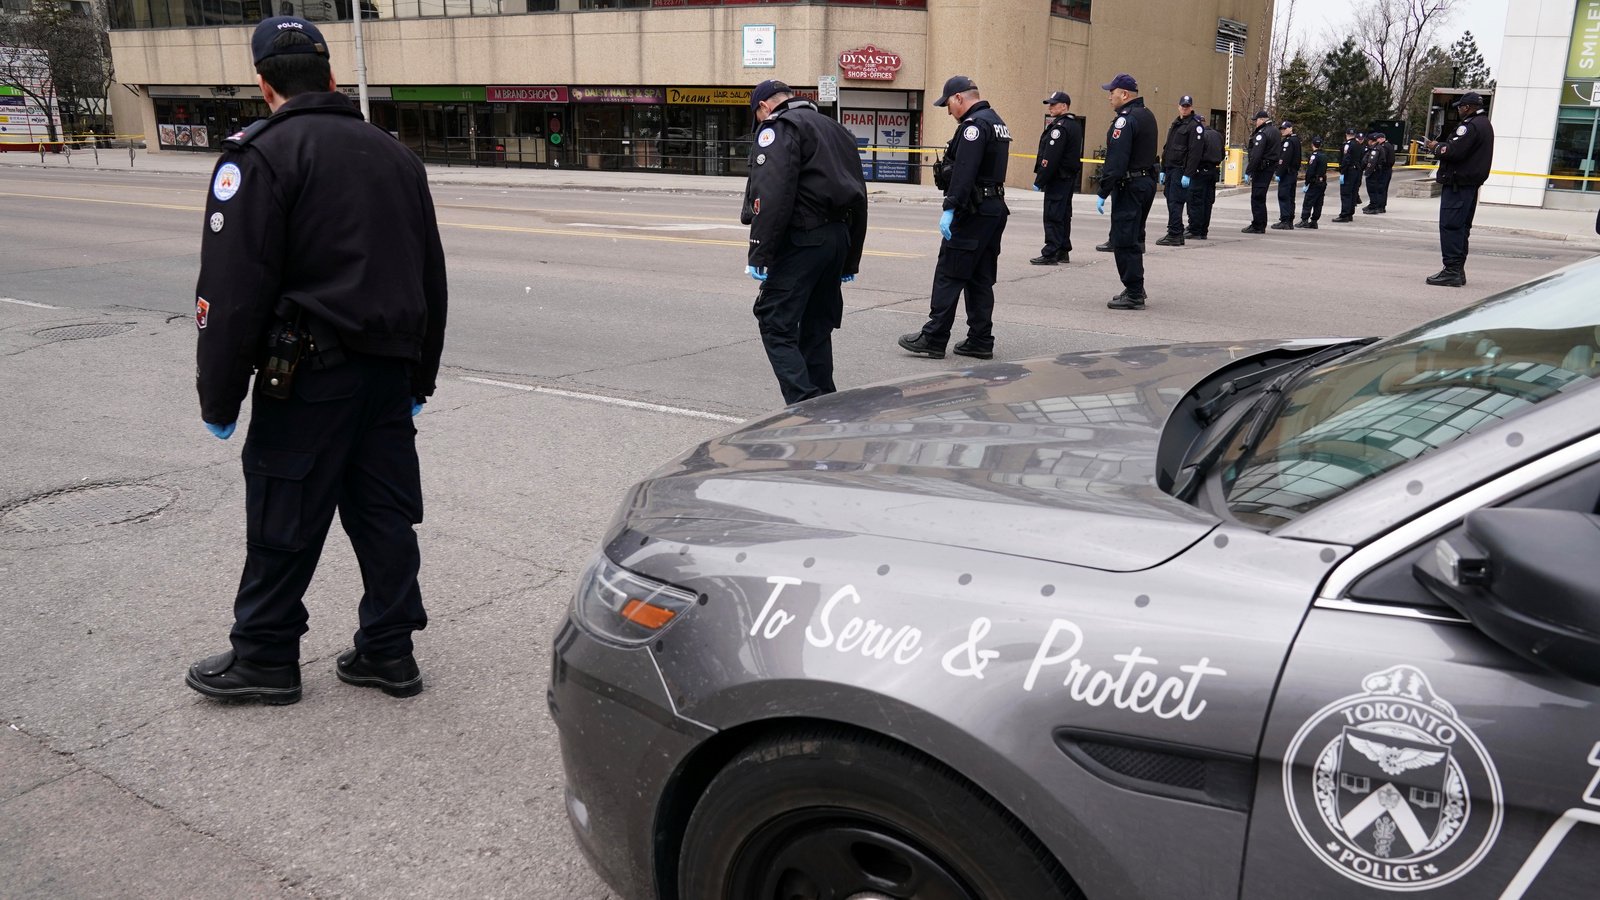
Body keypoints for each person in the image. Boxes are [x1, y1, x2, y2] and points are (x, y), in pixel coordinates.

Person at [186, 16, 448, 705]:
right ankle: (389, 652)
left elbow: (232, 288)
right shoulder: (395, 155)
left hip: (307, 376)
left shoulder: (261, 155)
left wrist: (219, 398)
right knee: (384, 514)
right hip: (388, 373)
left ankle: (266, 657)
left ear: (264, 84)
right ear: (333, 78)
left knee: (284, 512)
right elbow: (430, 279)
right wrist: (420, 376)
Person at [741, 80, 869, 401]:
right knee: (816, 326)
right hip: (837, 238)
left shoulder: (779, 128)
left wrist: (759, 252)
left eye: (758, 117)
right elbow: (860, 198)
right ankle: (825, 400)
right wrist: (850, 256)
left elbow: (772, 194)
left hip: (804, 238)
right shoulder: (836, 129)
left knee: (774, 321)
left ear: (764, 107)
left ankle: (803, 404)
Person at [899, 75, 1010, 359]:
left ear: (960, 97)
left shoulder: (974, 126)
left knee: (950, 272)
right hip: (993, 208)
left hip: (972, 210)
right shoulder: (996, 120)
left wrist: (950, 206)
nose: (949, 111)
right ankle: (980, 339)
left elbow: (964, 171)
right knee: (979, 277)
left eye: (948, 104)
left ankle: (934, 337)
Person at [1095, 73, 1158, 310]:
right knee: (1134, 235)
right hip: (1144, 183)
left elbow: (1117, 160)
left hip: (1130, 185)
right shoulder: (1147, 115)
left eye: (1112, 93)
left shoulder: (1125, 119)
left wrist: (1103, 189)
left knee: (1123, 239)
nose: (1109, 97)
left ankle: (1133, 292)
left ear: (1125, 94)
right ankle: (1135, 286)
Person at [1421, 92, 1495, 286]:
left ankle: (1452, 270)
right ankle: (1457, 270)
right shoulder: (1484, 124)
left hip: (1458, 185)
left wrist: (1435, 147)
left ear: (1468, 107)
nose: (1459, 110)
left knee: (1451, 226)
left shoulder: (1470, 126)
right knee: (1461, 228)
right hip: (1467, 186)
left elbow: (1454, 151)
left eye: (1460, 107)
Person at [1030, 90, 1082, 265]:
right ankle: (1062, 249)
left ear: (1064, 106)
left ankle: (1051, 252)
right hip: (1068, 178)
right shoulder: (1073, 125)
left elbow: (1050, 158)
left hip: (1058, 178)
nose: (1050, 107)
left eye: (1054, 104)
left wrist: (1040, 180)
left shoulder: (1059, 128)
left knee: (1053, 214)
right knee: (1064, 214)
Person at [1156, 94, 1203, 246]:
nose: (1184, 108)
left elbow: (1195, 153)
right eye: (1183, 106)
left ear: (1191, 108)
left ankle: (1174, 234)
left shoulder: (1195, 126)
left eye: (1187, 106)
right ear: (1178, 106)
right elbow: (1167, 148)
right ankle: (1177, 231)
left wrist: (1188, 174)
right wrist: (1163, 169)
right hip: (1170, 168)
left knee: (1176, 202)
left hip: (1180, 170)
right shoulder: (1176, 124)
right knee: (1170, 200)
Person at [1186, 114, 1223, 240]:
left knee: (1196, 201)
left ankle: (1195, 230)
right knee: (1207, 202)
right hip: (1213, 171)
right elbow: (1222, 154)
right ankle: (1203, 230)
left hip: (1199, 171)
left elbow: (1195, 154)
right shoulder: (1217, 135)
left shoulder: (1200, 135)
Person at [1241, 110, 1279, 234]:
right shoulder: (1274, 131)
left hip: (1262, 169)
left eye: (1256, 120)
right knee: (1261, 197)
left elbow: (1257, 154)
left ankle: (1258, 225)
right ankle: (1261, 223)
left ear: (1261, 120)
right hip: (1269, 168)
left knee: (1257, 197)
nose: (1255, 123)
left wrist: (1249, 170)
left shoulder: (1262, 133)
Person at [1271, 120, 1302, 230]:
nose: (1282, 131)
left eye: (1284, 129)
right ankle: (1289, 220)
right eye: (1282, 129)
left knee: (1284, 196)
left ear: (1290, 128)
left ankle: (1285, 220)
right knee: (1290, 197)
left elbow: (1284, 159)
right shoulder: (1296, 140)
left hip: (1287, 173)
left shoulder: (1289, 141)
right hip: (1292, 173)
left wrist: (1279, 172)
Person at [1331, 126, 1364, 222]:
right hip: (1357, 171)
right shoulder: (1358, 144)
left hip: (1349, 171)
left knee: (1346, 193)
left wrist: (1342, 170)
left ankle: (1344, 214)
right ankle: (1350, 214)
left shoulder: (1348, 145)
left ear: (1346, 135)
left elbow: (1346, 159)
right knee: (1353, 193)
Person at [1298, 135, 1328, 228]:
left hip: (1314, 182)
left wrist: (1307, 183)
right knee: (1318, 202)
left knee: (1308, 201)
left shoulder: (1314, 156)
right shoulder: (1324, 155)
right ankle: (1314, 221)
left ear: (1312, 145)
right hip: (1322, 181)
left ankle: (1304, 220)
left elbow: (1310, 171)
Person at [1363, 131, 1394, 214]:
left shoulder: (1384, 146)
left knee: (1381, 189)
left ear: (1381, 139)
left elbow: (1381, 160)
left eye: (1377, 139)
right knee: (1381, 189)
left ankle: (1380, 206)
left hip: (1384, 170)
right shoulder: (1386, 145)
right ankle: (1377, 205)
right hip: (1385, 170)